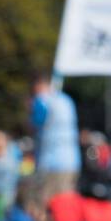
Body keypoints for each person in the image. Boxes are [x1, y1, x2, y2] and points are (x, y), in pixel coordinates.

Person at [31, 70, 80, 201]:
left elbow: (36, 123)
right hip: (71, 161)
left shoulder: (42, 101)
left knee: (48, 205)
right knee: (67, 205)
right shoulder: (67, 100)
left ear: (39, 85)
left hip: (51, 162)